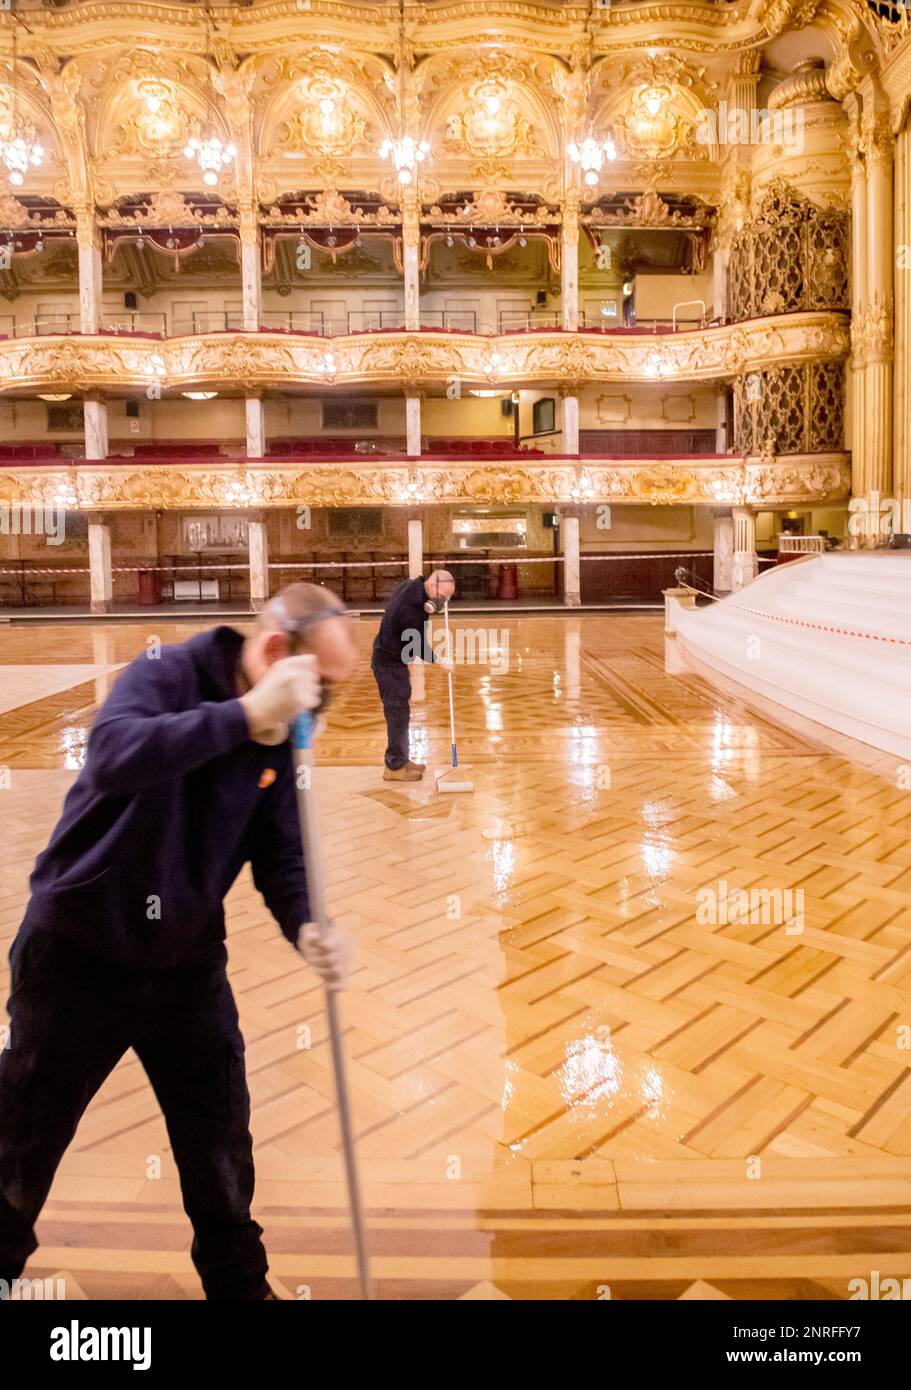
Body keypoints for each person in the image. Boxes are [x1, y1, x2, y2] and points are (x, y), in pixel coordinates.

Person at [0, 584, 356, 1302]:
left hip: (186, 966)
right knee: (21, 1144)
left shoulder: (283, 734)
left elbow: (280, 854)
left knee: (220, 1147)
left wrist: (308, 922)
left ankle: (239, 1290)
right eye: (319, 686)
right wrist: (245, 716)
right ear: (274, 651)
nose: (321, 708)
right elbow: (114, 755)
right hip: (76, 953)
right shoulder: (165, 673)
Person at [371, 569, 455, 781]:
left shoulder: (413, 586)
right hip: (388, 663)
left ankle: (402, 759)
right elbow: (417, 646)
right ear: (433, 586)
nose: (444, 602)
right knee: (397, 714)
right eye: (443, 597)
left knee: (401, 712)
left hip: (394, 659)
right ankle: (394, 767)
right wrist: (440, 660)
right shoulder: (412, 608)